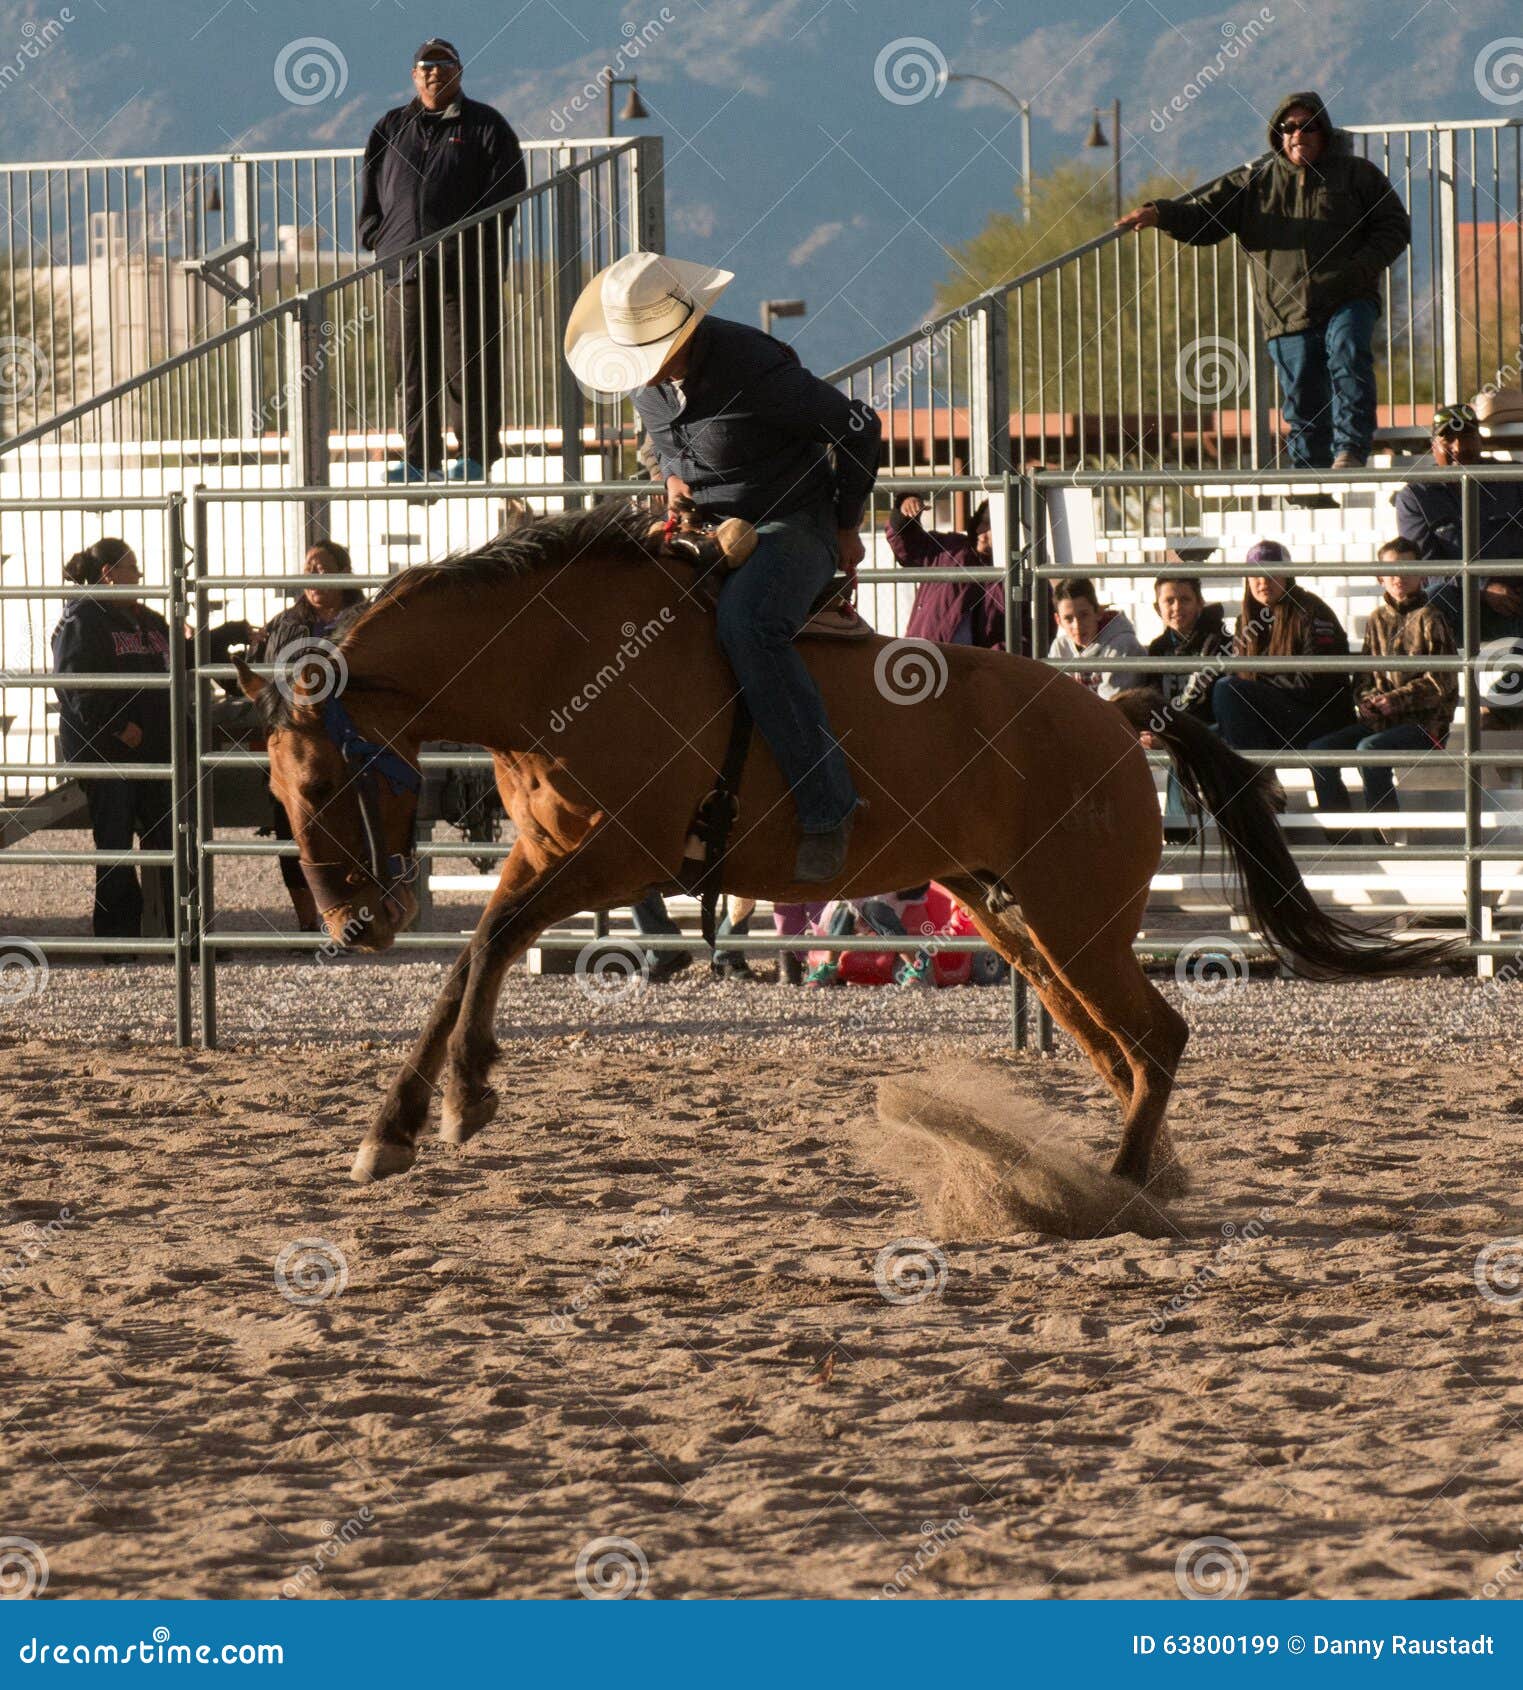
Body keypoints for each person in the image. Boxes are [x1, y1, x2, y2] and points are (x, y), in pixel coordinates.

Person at [565, 251, 882, 883]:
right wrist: (672, 481)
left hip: (794, 523)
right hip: (705, 529)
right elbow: (658, 447)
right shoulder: (640, 378)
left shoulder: (754, 367)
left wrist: (846, 524)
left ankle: (828, 803)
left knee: (747, 626)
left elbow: (859, 425)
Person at [1117, 91, 1410, 471]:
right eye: (1289, 128)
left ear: (1323, 131)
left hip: (1348, 296)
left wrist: (1360, 269)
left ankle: (1351, 449)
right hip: (1286, 309)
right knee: (1302, 393)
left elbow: (1393, 226)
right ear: (1278, 134)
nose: (1297, 134)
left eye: (1307, 126)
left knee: (1348, 352)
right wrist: (1161, 213)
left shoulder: (1358, 175)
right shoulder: (1254, 184)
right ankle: (1309, 483)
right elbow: (1205, 220)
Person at [50, 541, 249, 941]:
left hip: (159, 751)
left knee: (177, 840)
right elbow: (74, 685)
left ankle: (188, 936)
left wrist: (227, 634)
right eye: (132, 568)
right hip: (108, 754)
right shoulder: (83, 618)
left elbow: (182, 655)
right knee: (116, 842)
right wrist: (115, 725)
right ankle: (119, 937)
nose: (139, 576)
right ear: (108, 573)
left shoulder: (146, 620)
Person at [359, 38, 526, 484]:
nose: (434, 72)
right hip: (404, 269)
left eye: (443, 64)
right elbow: (372, 186)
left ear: (459, 71)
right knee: (411, 369)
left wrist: (474, 244)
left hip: (466, 270)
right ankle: (419, 460)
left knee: (468, 364)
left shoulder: (486, 125)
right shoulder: (391, 125)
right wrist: (374, 235)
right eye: (425, 66)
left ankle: (474, 457)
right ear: (413, 75)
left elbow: (506, 194)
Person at [253, 541, 366, 930]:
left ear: (343, 574)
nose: (314, 577)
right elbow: (271, 684)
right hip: (300, 747)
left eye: (323, 568)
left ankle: (350, 912)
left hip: (351, 743)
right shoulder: (285, 624)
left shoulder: (364, 619)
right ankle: (307, 923)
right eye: (309, 568)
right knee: (295, 831)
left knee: (349, 828)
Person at [1305, 537, 1457, 818]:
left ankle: (1385, 830)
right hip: (1380, 723)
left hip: (1426, 727)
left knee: (1369, 749)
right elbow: (1364, 676)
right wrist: (1367, 700)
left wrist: (1395, 701)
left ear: (1422, 574)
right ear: (1380, 576)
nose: (1399, 576)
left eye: (1407, 569)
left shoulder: (1431, 617)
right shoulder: (1376, 619)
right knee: (1319, 751)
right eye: (1391, 570)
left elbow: (1441, 681)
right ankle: (1341, 837)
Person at [1396, 402, 1523, 645]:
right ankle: (1443, 678)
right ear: (1433, 446)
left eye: (1467, 436)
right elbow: (1426, 570)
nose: (1459, 447)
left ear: (1480, 440)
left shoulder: (1514, 479)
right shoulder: (1415, 497)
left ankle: (1508, 682)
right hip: (1462, 603)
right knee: (1434, 597)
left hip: (1516, 598)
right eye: (1448, 439)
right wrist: (1483, 588)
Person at [1210, 541, 1353, 752]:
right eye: (1255, 575)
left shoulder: (1312, 612)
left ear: (1288, 575)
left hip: (1318, 721)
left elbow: (1311, 685)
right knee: (1189, 740)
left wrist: (1258, 686)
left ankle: (1258, 781)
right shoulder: (1246, 621)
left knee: (1227, 688)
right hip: (1270, 722)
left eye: (1272, 573)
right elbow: (1239, 677)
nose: (1263, 581)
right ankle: (1258, 779)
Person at [884, 493, 1004, 647]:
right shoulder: (951, 547)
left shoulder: (1016, 574)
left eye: (990, 525)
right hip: (925, 654)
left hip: (975, 666)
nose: (981, 530)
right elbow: (907, 547)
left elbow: (1019, 636)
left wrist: (990, 667)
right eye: (982, 521)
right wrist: (904, 514)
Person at [1046, 576, 1144, 697]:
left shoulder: (1122, 645)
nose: (1077, 625)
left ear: (1098, 612)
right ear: (1058, 620)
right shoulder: (1060, 647)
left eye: (1084, 615)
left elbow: (1114, 706)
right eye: (1068, 618)